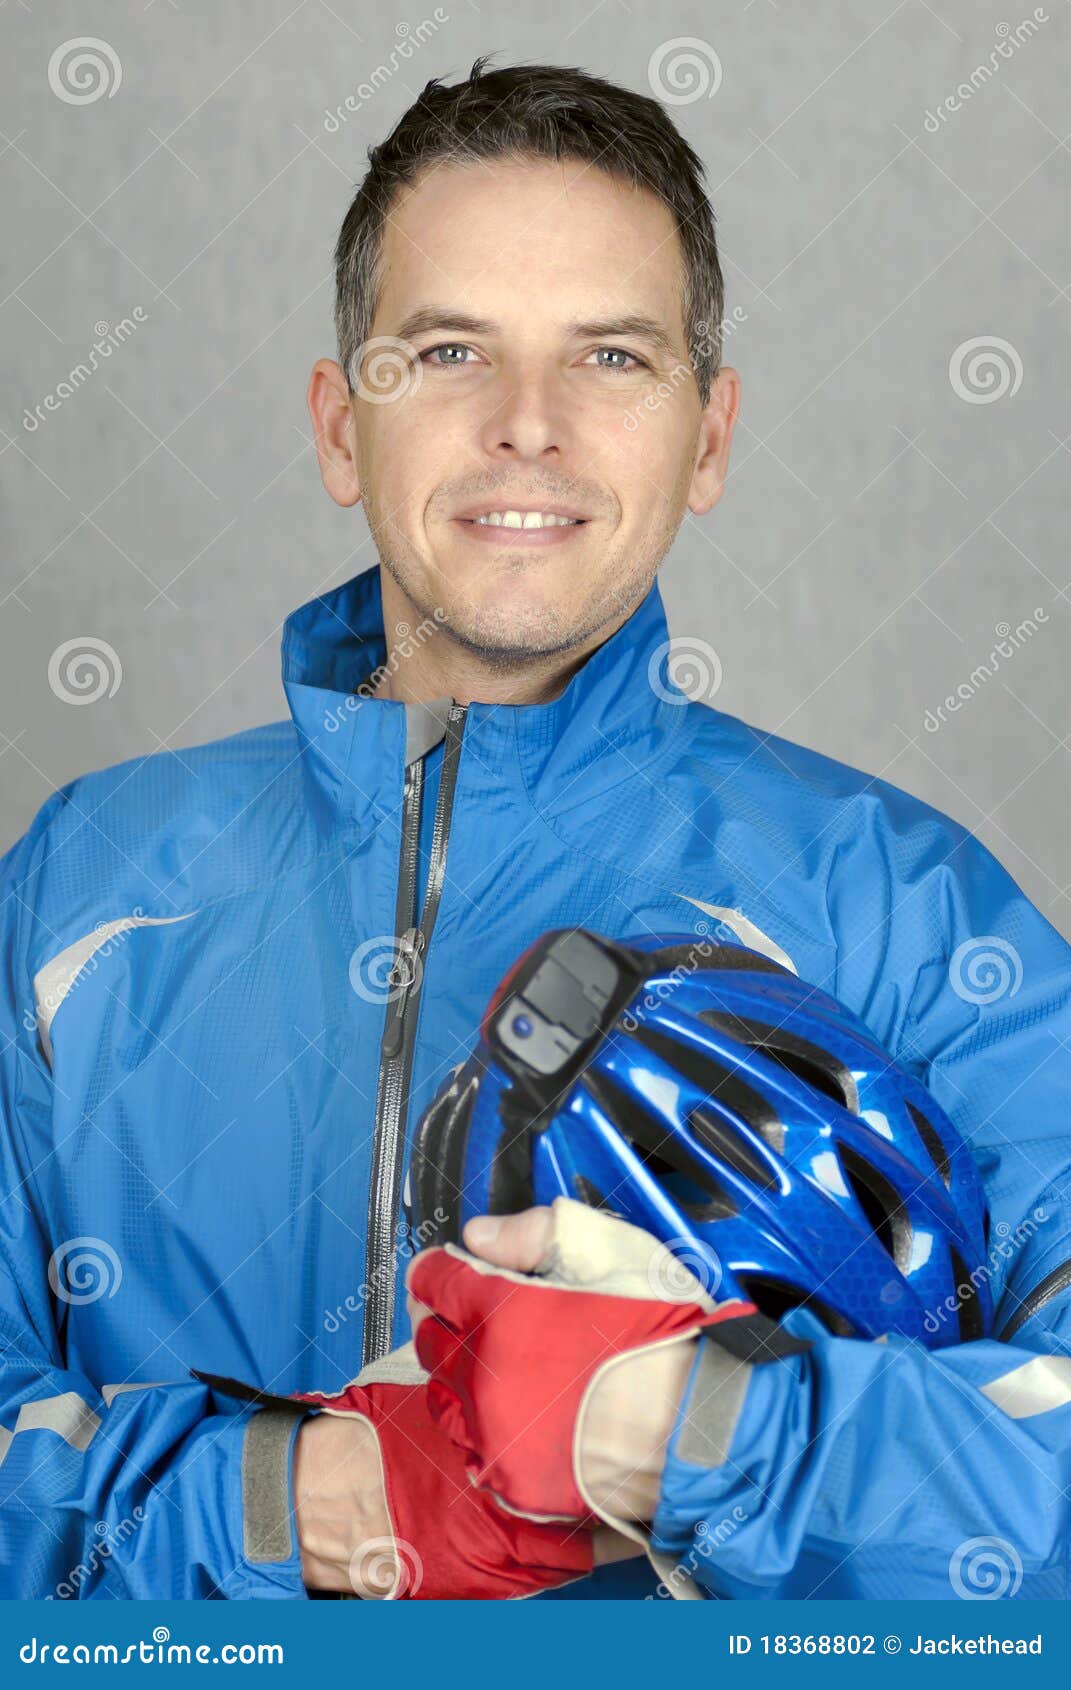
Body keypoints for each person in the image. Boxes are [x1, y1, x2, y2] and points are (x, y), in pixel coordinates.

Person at [0, 55, 1068, 1601]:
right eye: (446, 351)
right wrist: (300, 1498)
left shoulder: (906, 913)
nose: (528, 427)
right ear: (337, 425)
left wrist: (689, 1435)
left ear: (708, 438)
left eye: (612, 360)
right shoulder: (78, 897)